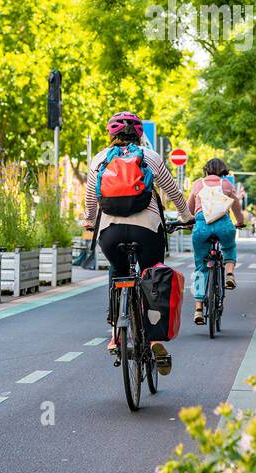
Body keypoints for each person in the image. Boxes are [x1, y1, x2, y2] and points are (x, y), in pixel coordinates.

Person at [83, 111, 193, 372]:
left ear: (112, 134)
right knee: (152, 273)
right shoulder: (150, 157)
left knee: (118, 270)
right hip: (147, 230)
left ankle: (115, 332)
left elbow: (90, 198)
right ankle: (154, 338)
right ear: (140, 134)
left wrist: (89, 220)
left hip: (111, 232)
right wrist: (187, 216)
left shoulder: (99, 159)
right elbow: (174, 192)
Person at [186, 158, 245, 324]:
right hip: (223, 225)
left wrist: (189, 221)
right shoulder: (226, 185)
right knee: (229, 247)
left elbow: (189, 207)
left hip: (201, 227)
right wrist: (239, 221)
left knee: (200, 266)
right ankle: (230, 274)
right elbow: (236, 206)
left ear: (206, 170)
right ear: (223, 171)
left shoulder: (198, 184)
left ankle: (198, 308)